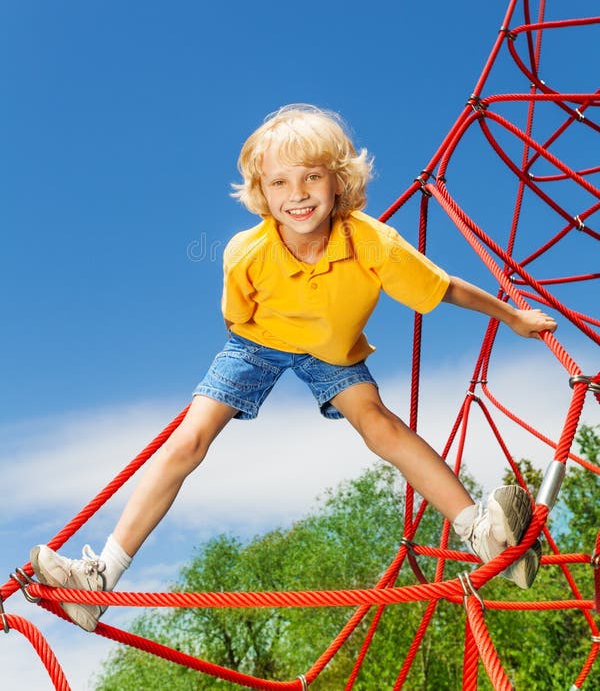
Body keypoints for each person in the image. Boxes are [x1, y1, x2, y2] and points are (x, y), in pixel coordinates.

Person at [31, 104, 558, 632]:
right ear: (262, 192)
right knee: (188, 442)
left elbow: (444, 288)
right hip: (257, 343)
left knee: (381, 425)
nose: (297, 194)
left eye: (312, 177)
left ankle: (480, 532)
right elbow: (237, 317)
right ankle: (98, 581)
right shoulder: (245, 252)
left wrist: (512, 316)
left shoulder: (373, 243)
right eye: (279, 181)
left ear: (339, 182)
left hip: (331, 352)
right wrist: (240, 373)